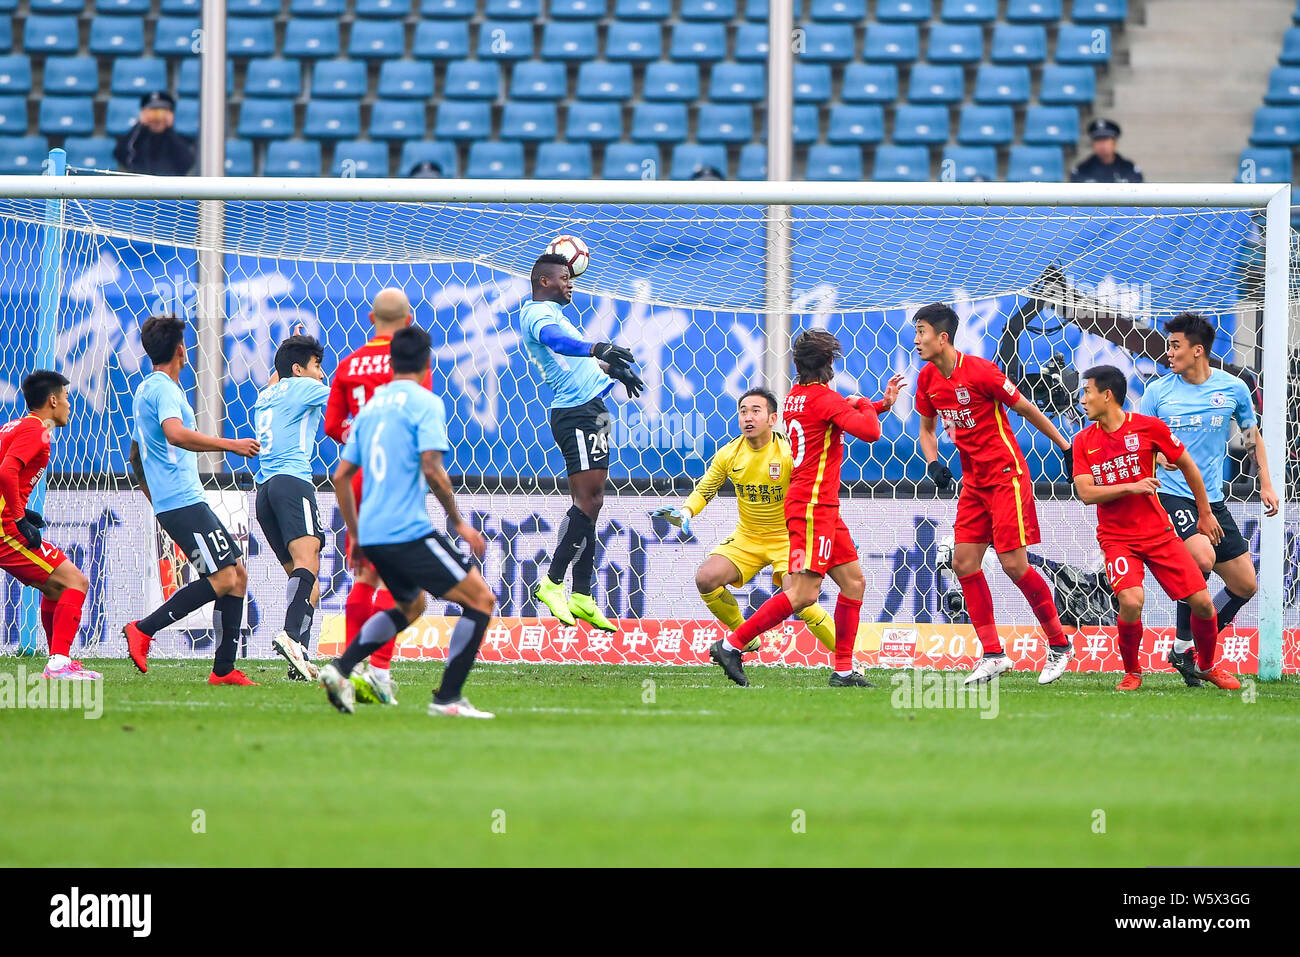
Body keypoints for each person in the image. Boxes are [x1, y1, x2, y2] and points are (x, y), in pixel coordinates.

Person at [708, 329, 904, 688]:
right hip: (812, 508)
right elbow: (871, 433)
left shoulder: (799, 397)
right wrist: (863, 403)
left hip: (819, 507)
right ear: (829, 364)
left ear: (798, 365)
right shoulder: (823, 399)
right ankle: (731, 644)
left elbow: (842, 413)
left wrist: (878, 404)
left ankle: (844, 671)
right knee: (803, 593)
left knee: (854, 583)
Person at [322, 325, 497, 718]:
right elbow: (433, 470)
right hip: (408, 531)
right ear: (426, 363)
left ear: (391, 361)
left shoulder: (370, 408)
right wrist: (458, 523)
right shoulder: (425, 402)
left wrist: (356, 532)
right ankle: (447, 699)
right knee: (481, 599)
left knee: (411, 604)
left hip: (374, 531)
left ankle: (340, 668)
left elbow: (341, 476)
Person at [912, 302, 1075, 686]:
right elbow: (927, 429)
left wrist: (1065, 448)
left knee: (1014, 565)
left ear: (942, 337)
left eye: (922, 332)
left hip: (1007, 476)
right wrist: (933, 462)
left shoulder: (982, 372)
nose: (917, 340)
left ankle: (1059, 644)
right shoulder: (927, 379)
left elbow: (1027, 409)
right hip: (973, 483)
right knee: (965, 563)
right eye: (916, 332)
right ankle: (993, 654)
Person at [1072, 365, 1241, 691]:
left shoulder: (1149, 428)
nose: (1083, 400)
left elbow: (1188, 464)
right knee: (1132, 601)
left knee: (1204, 603)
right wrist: (1131, 487)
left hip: (1159, 534)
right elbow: (1085, 493)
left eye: (1087, 392)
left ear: (1107, 395)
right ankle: (1133, 672)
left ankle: (1205, 666)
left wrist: (1205, 513)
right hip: (1117, 538)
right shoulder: (1083, 441)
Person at [1139, 312, 1279, 686]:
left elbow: (1252, 436)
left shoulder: (1233, 389)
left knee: (1245, 585)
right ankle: (1186, 644)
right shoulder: (1157, 392)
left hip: (1212, 500)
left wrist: (1265, 482)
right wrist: (1156, 458)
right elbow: (1136, 444)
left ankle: (1193, 652)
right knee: (1200, 556)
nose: (1169, 353)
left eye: (1176, 346)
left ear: (1197, 350)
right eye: (1169, 345)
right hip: (1171, 496)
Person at [124, 315, 261, 684]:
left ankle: (224, 670)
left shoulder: (146, 389)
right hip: (182, 502)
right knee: (223, 577)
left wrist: (155, 498)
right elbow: (175, 434)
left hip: (180, 501)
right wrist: (230, 444)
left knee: (237, 575)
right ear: (181, 350)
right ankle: (144, 629)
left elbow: (136, 454)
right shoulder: (165, 389)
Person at [651, 388, 838, 654]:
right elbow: (705, 489)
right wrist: (686, 512)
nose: (748, 417)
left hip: (788, 538)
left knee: (801, 599)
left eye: (755, 411)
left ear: (773, 419)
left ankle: (847, 661)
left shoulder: (788, 453)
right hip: (747, 537)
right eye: (743, 412)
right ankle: (745, 636)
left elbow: (815, 488)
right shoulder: (729, 453)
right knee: (706, 578)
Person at [520, 253, 645, 633]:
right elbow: (556, 343)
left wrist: (611, 369)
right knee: (590, 501)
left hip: (590, 407)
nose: (571, 282)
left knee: (588, 503)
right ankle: (553, 582)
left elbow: (575, 359)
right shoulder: (536, 315)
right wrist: (596, 348)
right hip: (577, 413)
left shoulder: (559, 316)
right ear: (545, 282)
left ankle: (582, 593)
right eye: (564, 277)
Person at [323, 288, 430, 705]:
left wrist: (361, 441)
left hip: (358, 476)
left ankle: (348, 671)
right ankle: (379, 668)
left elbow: (333, 424)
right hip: (397, 475)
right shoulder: (410, 360)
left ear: (370, 318)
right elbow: (422, 408)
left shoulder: (348, 365)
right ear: (408, 321)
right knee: (399, 577)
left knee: (364, 572)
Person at [0, 371, 95, 680]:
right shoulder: (37, 430)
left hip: (7, 521)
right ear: (52, 400)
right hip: (4, 529)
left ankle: (59, 660)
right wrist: (16, 518)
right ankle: (58, 663)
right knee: (75, 582)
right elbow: (7, 470)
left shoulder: (13, 425)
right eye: (67, 397)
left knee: (55, 588)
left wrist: (22, 511)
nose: (70, 404)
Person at [252, 333, 331, 682]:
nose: (321, 374)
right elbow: (345, 393)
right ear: (299, 370)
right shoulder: (304, 388)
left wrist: (290, 351)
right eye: (317, 366)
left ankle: (299, 659)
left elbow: (280, 374)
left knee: (304, 579)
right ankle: (291, 636)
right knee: (308, 564)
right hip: (293, 482)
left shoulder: (266, 394)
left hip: (265, 491)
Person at [112, 91, 196, 176]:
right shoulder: (136, 139)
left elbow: (187, 162)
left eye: (162, 111)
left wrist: (169, 128)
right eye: (152, 111)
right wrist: (140, 126)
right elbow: (121, 154)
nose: (157, 117)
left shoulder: (180, 140)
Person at [1069, 118, 1143, 184]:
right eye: (1098, 140)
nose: (1102, 144)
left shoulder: (1128, 168)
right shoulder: (1082, 169)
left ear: (1114, 143)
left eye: (1105, 139)